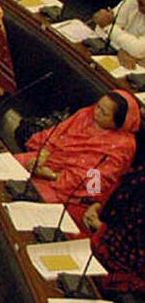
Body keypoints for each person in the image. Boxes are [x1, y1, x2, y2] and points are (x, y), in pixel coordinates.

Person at [15, 91, 139, 228]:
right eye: (98, 106)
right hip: (51, 159)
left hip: (69, 187)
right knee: (11, 165)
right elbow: (56, 134)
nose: (96, 112)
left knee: (26, 200)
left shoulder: (123, 146)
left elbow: (96, 183)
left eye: (104, 113)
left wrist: (53, 176)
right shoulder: (85, 114)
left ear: (118, 122)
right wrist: (42, 156)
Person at [85, 161, 145, 293]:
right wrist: (98, 206)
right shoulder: (138, 172)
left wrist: (101, 228)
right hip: (102, 237)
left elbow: (133, 256)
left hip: (123, 269)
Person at [91, 0, 145, 69]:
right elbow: (101, 26)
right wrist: (119, 50)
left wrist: (108, 28)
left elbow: (137, 50)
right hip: (118, 60)